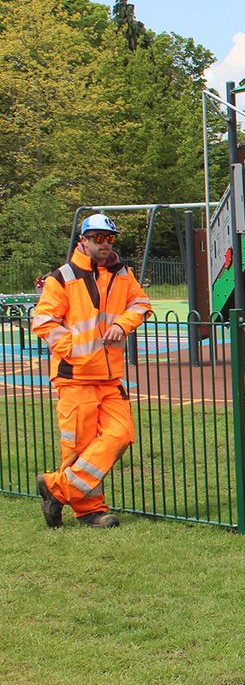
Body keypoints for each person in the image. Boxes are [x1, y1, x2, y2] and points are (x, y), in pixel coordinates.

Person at [32, 213, 153, 529]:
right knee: (79, 448)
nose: (103, 243)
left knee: (122, 434)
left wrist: (122, 324)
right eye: (97, 238)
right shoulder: (62, 277)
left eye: (109, 238)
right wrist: (72, 349)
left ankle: (56, 488)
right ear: (82, 240)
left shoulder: (122, 274)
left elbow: (140, 305)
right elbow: (44, 322)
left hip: (110, 377)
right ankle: (90, 511)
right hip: (76, 378)